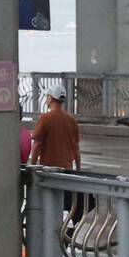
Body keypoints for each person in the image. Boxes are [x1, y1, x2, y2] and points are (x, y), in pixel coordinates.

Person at [29, 84, 83, 223]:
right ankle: (61, 233)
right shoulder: (71, 120)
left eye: (47, 96)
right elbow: (75, 147)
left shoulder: (45, 118)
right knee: (63, 207)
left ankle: (49, 234)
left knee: (48, 206)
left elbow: (37, 145)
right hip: (67, 172)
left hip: (49, 172)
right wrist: (78, 168)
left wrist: (31, 166)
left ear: (51, 98)